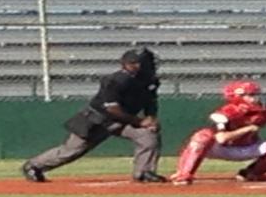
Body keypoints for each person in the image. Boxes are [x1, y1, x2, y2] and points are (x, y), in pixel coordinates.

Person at [22, 48, 165, 183]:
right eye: (146, 62)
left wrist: (151, 118)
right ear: (130, 65)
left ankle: (144, 172)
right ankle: (34, 166)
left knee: (147, 136)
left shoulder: (150, 81)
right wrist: (139, 122)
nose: (151, 66)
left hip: (123, 121)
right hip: (97, 121)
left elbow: (150, 101)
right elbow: (112, 109)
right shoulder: (116, 80)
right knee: (72, 151)